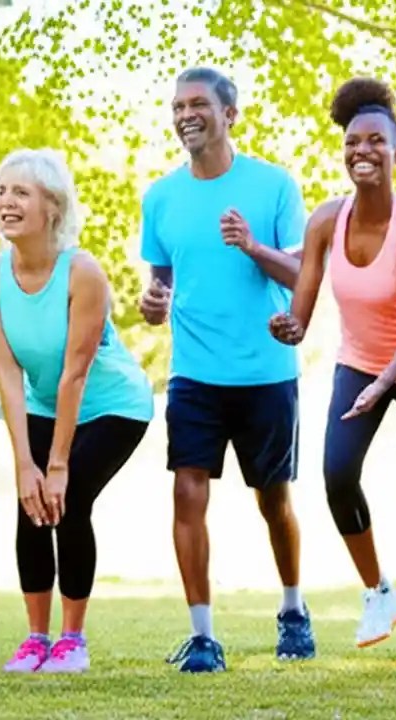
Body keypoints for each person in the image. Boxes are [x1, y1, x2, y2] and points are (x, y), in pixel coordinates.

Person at [269, 77, 396, 663]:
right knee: (337, 474)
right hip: (358, 361)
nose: (362, 152)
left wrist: (384, 384)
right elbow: (303, 303)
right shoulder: (327, 219)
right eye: (353, 143)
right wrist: (289, 327)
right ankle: (378, 592)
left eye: (376, 141)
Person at [138, 66, 315, 672]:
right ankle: (203, 635)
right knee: (187, 490)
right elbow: (159, 282)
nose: (185, 114)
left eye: (198, 104)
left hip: (266, 371)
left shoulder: (272, 186)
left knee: (274, 500)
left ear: (229, 114)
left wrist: (252, 246)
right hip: (193, 372)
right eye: (177, 105)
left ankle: (293, 609)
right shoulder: (160, 197)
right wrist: (152, 302)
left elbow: (302, 277)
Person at [0, 148, 154, 673]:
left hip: (114, 404)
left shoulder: (83, 272)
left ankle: (71, 641)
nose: (6, 202)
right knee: (30, 502)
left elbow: (75, 372)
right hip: (44, 402)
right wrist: (25, 465)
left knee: (67, 497)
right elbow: (7, 374)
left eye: (21, 192)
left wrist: (55, 464)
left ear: (52, 207)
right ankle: (35, 639)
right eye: (2, 191)